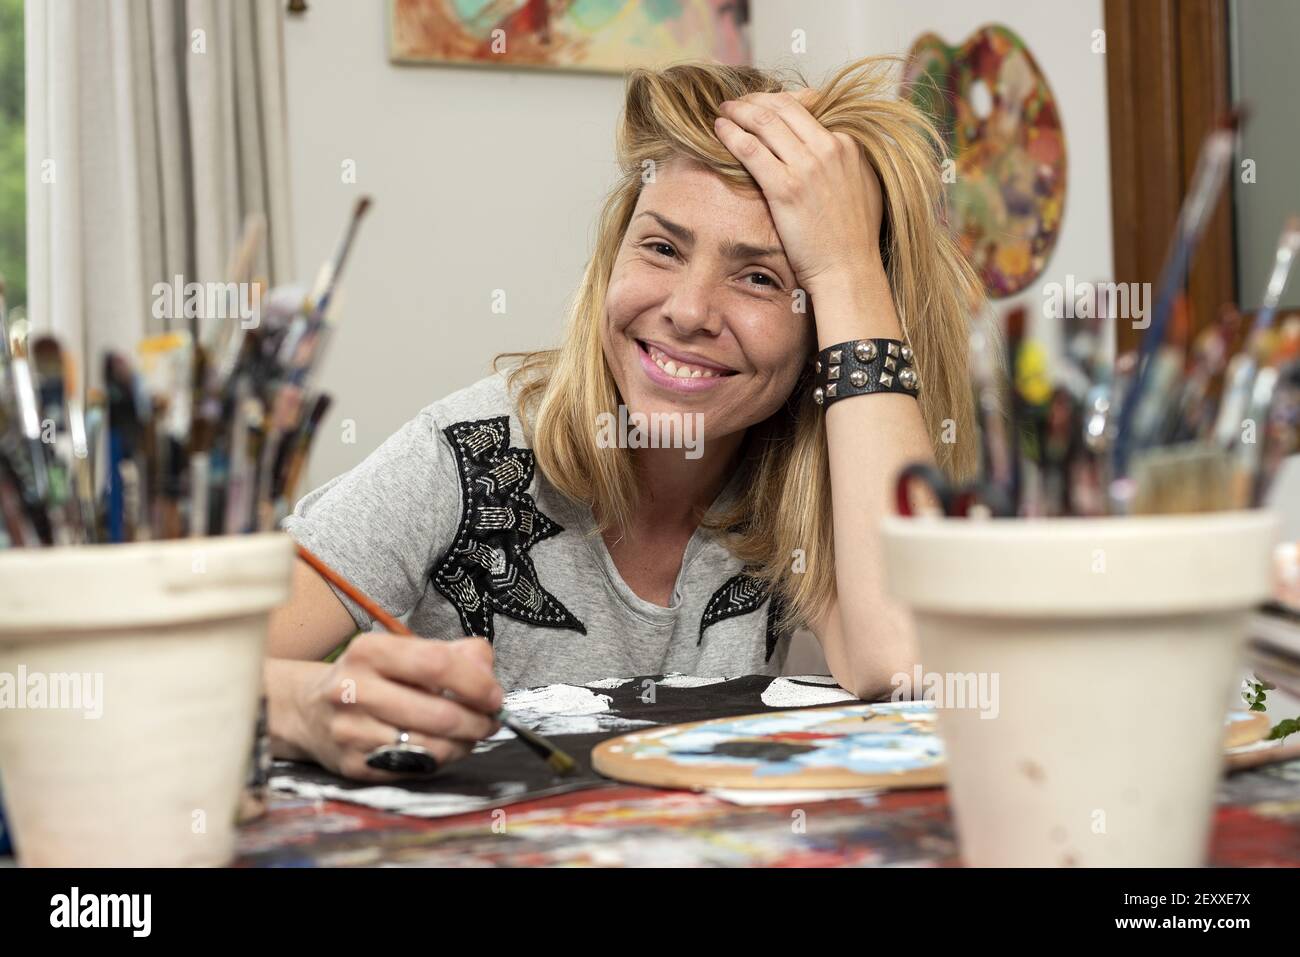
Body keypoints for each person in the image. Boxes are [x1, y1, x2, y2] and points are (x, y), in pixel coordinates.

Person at [265, 56, 981, 781]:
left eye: (760, 277)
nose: (687, 310)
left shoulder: (802, 481)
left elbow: (907, 661)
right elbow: (177, 676)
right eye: (663, 247)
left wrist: (849, 269)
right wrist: (306, 704)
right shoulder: (464, 454)